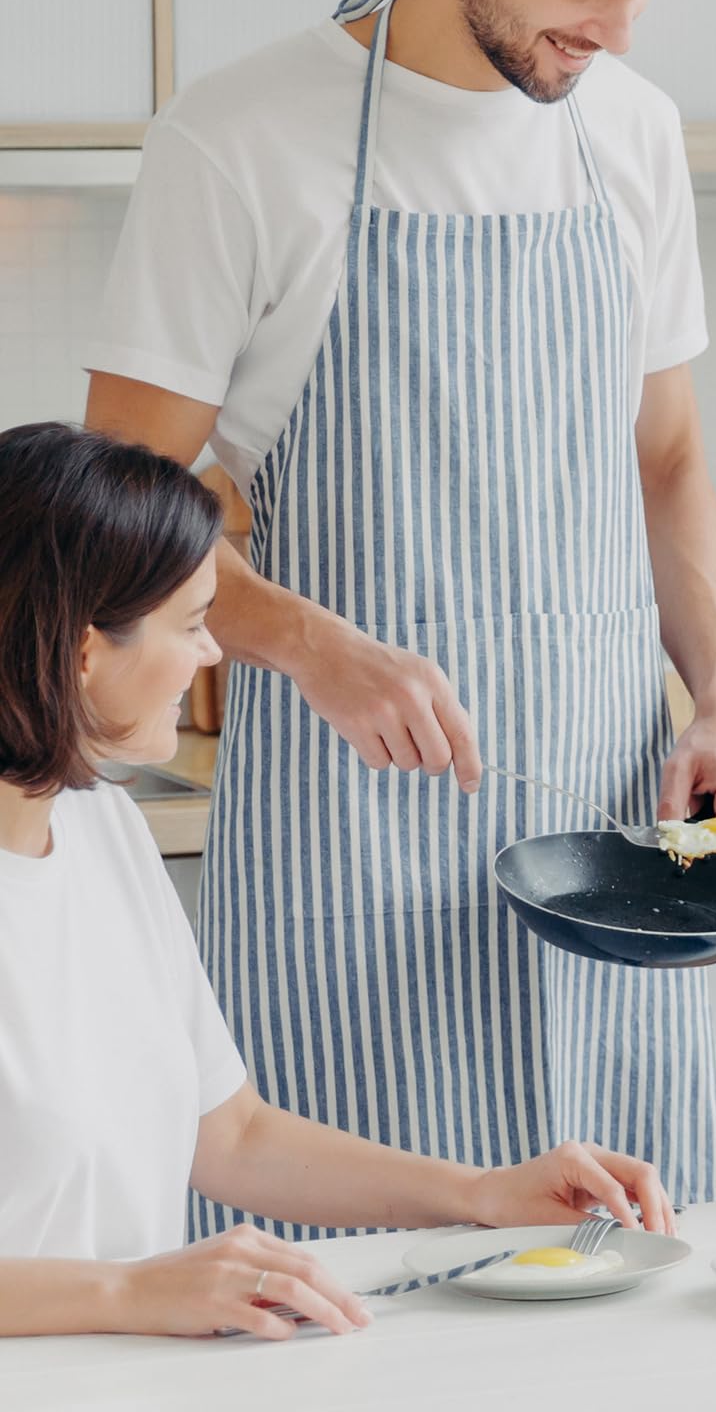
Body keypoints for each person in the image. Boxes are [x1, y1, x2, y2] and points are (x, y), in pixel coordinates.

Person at [81, 0, 716, 1222]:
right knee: (355, 1302)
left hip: (603, 846)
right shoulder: (243, 136)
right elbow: (122, 500)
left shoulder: (633, 140)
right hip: (353, 834)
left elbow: (667, 461)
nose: (613, 35)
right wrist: (310, 645)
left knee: (628, 1267)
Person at [0, 424, 675, 1340]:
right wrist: (125, 1295)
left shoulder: (103, 828)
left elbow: (229, 1135)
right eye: (193, 625)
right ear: (83, 651)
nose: (212, 657)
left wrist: (481, 1194)